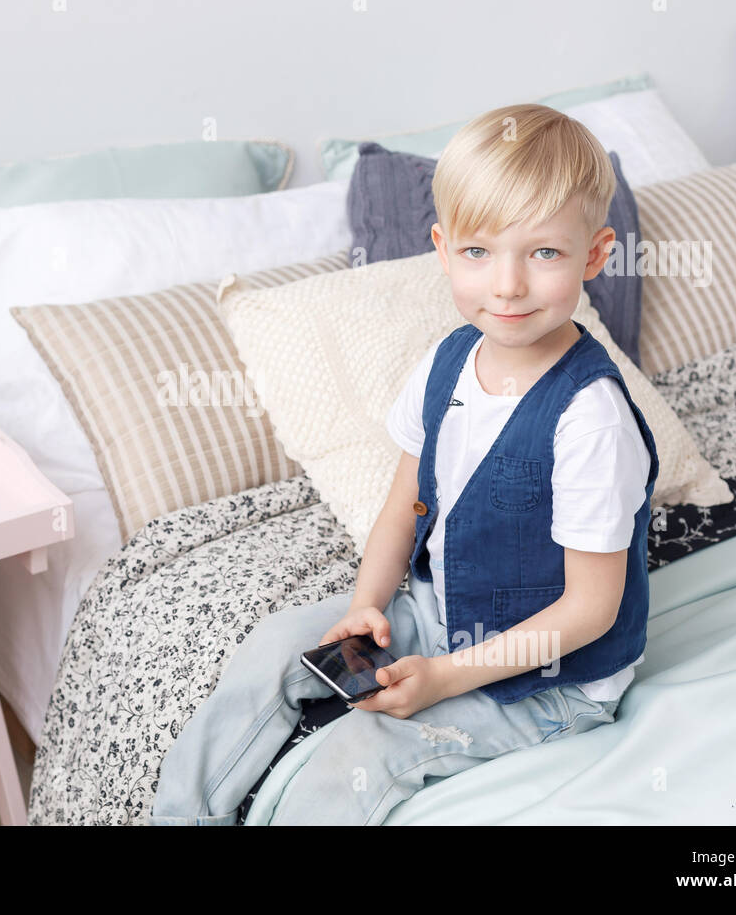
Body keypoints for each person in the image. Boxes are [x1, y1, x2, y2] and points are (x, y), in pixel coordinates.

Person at [150, 103, 660, 825]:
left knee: (352, 756)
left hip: (553, 676)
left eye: (543, 253)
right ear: (443, 250)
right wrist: (368, 603)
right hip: (440, 608)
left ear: (595, 255)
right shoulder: (446, 364)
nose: (507, 285)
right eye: (479, 253)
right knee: (273, 650)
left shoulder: (590, 418)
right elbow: (403, 505)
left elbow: (589, 609)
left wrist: (446, 679)